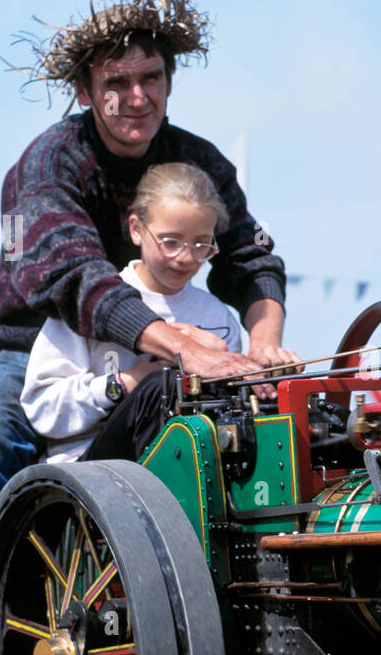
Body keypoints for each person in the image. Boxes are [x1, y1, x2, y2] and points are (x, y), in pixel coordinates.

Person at [0, 0, 299, 655]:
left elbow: (251, 260)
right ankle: (0, 648)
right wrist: (177, 345)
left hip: (163, 346)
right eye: (117, 83)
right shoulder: (47, 166)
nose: (137, 97)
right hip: (34, 342)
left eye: (151, 79)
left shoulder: (197, 164)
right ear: (83, 89)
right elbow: (72, 277)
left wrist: (263, 345)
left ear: (169, 81)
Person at [21, 163, 238, 463]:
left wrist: (220, 355)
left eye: (201, 244)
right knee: (155, 386)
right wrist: (126, 383)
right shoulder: (90, 300)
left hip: (197, 462)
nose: (185, 258)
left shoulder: (219, 318)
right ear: (136, 230)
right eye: (171, 242)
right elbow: (43, 408)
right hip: (93, 472)